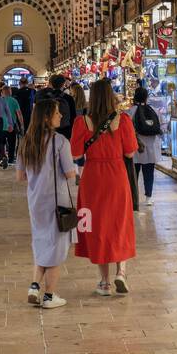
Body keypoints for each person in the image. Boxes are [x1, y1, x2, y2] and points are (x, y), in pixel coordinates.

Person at [71, 79, 139, 297]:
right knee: (120, 222)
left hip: (92, 178)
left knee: (96, 226)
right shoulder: (124, 120)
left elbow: (76, 154)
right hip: (117, 176)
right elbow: (130, 152)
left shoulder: (82, 122)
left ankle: (104, 282)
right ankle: (121, 271)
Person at [17, 98, 78, 309]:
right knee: (56, 249)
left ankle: (34, 286)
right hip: (57, 201)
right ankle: (50, 296)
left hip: (35, 200)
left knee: (42, 243)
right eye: (57, 113)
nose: (61, 116)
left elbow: (20, 176)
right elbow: (70, 173)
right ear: (46, 117)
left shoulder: (26, 141)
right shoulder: (60, 141)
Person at [128, 86, 163, 207]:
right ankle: (148, 198)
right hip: (151, 146)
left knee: (134, 174)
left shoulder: (130, 111)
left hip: (136, 147)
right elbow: (160, 126)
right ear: (147, 97)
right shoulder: (153, 110)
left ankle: (134, 198)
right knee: (149, 173)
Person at [38, 74, 76, 141]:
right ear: (63, 84)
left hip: (49, 129)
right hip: (66, 129)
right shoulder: (69, 98)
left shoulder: (45, 97)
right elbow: (73, 116)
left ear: (51, 84)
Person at [0, 84, 24, 165]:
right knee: (12, 143)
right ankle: (10, 159)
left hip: (1, 125)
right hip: (11, 125)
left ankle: (2, 157)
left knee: (1, 143)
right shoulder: (14, 101)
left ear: (2, 92)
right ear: (10, 92)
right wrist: (22, 125)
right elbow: (19, 114)